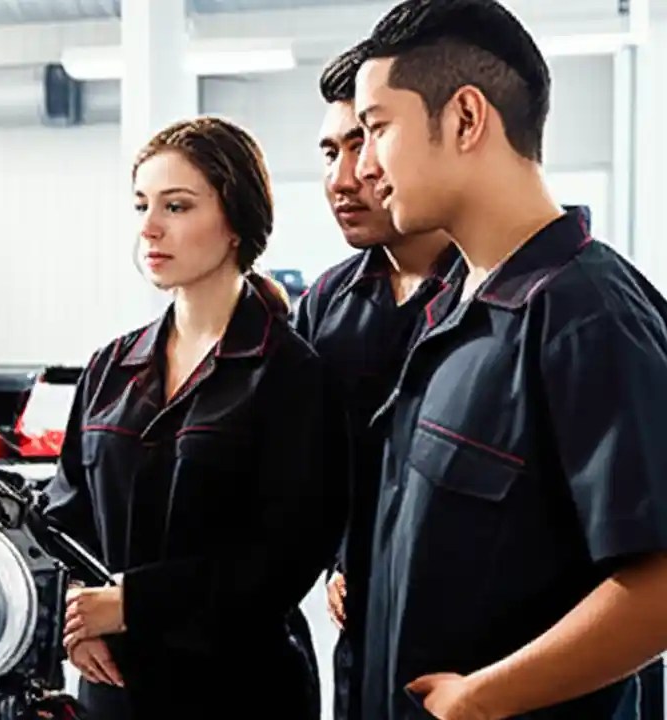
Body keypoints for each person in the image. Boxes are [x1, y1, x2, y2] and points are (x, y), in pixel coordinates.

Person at [350, 1, 667, 717]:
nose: (364, 167)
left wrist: (483, 700)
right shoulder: (452, 310)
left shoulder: (587, 315)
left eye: (376, 129)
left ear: (466, 118)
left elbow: (660, 585)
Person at [42, 116, 350, 719]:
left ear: (235, 221)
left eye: (177, 207)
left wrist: (131, 602)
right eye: (141, 207)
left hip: (240, 691)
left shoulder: (288, 373)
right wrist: (75, 616)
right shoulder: (111, 366)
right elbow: (63, 516)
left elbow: (284, 557)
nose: (150, 229)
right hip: (116, 689)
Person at [295, 40, 458, 720]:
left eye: (364, 142)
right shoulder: (327, 305)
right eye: (329, 153)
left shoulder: (507, 298)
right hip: (366, 637)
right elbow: (321, 462)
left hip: (485, 648)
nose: (344, 177)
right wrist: (339, 557)